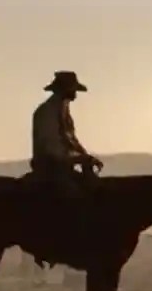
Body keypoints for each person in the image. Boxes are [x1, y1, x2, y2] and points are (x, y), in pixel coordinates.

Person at [30, 70, 103, 198]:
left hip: (63, 167)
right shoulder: (46, 112)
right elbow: (51, 147)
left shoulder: (64, 111)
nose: (75, 93)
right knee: (72, 195)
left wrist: (86, 156)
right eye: (73, 89)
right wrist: (77, 158)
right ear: (65, 90)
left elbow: (72, 141)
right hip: (49, 169)